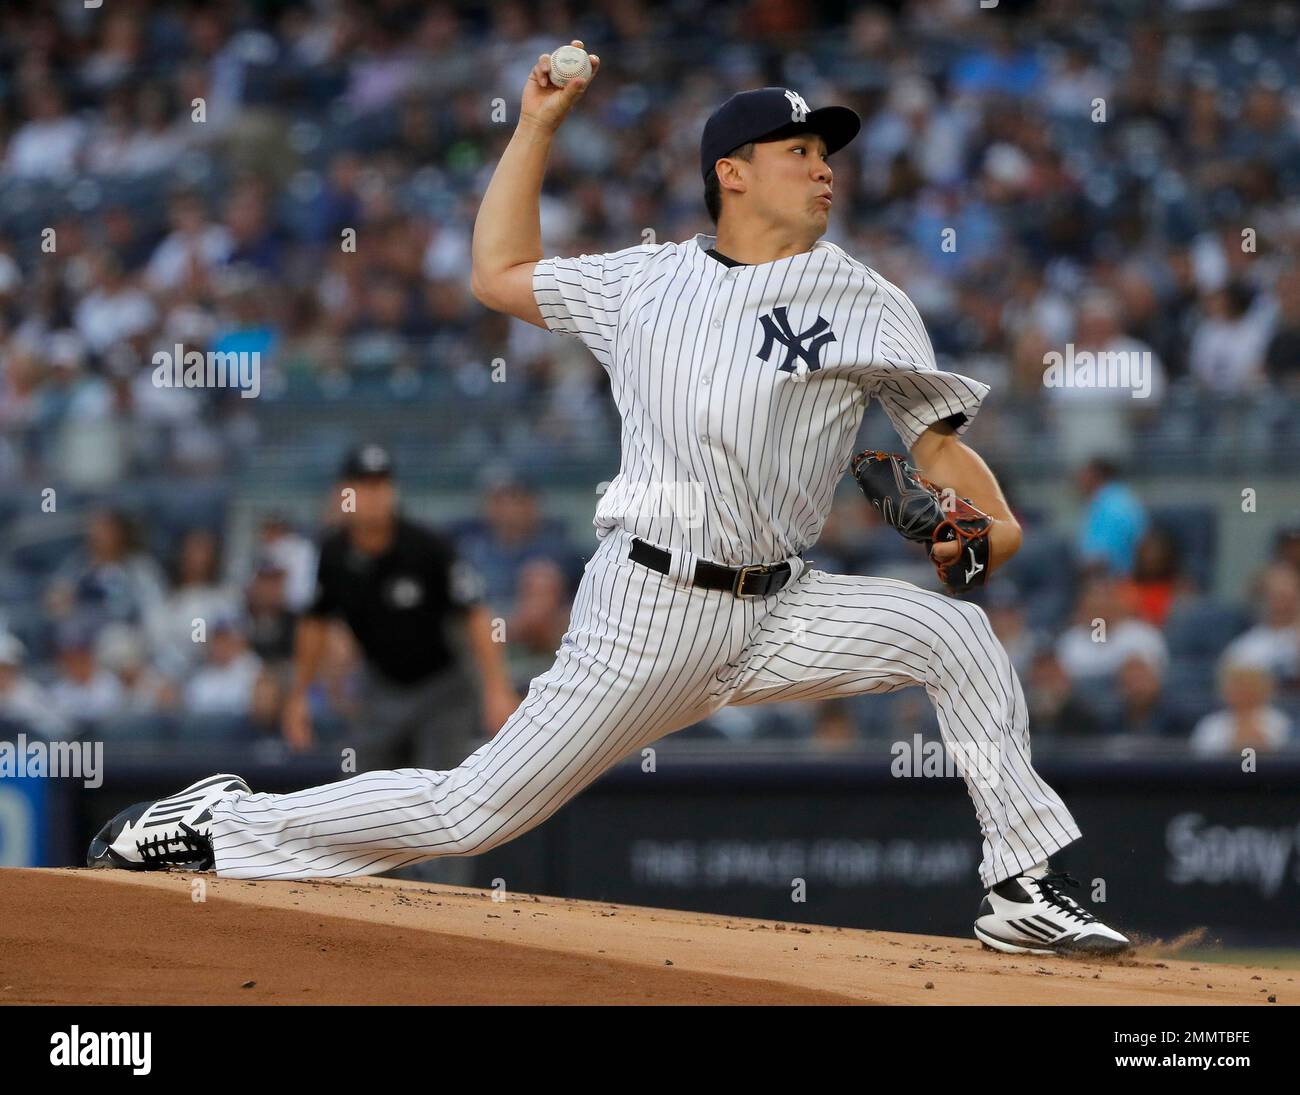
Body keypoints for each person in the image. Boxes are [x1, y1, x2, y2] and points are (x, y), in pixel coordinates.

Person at [87, 58, 1129, 957]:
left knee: (953, 633)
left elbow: (935, 447)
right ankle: (221, 824)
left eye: (828, 152)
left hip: (779, 607)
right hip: (649, 607)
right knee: (473, 812)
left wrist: (990, 526)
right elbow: (496, 271)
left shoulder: (867, 296)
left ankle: (1019, 886)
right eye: (798, 149)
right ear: (731, 172)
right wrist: (536, 122)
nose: (823, 167)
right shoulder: (645, 283)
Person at [280, 443, 519, 773]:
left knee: (439, 791)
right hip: (381, 688)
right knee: (361, 789)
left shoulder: (426, 546)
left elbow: (476, 614)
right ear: (343, 493)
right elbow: (315, 622)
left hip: (443, 689)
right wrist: (299, 696)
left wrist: (497, 689)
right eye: (364, 485)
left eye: (381, 484)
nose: (374, 495)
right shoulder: (332, 555)